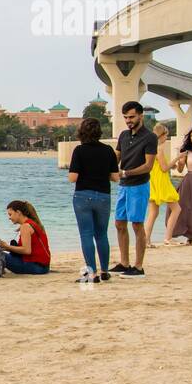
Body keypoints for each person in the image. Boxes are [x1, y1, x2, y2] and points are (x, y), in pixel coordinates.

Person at [67, 116, 119, 283]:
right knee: (102, 234)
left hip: (83, 195)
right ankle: (104, 270)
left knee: (86, 235)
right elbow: (115, 177)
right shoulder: (108, 150)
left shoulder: (79, 151)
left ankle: (92, 273)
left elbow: (73, 178)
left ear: (82, 132)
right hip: (103, 195)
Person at [112, 101, 157, 278]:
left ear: (140, 115)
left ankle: (138, 267)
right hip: (123, 186)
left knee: (137, 224)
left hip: (139, 186)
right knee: (119, 223)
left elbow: (148, 166)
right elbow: (116, 157)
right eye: (125, 117)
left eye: (131, 117)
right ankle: (124, 263)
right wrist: (107, 170)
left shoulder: (150, 137)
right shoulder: (123, 135)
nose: (128, 120)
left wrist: (125, 172)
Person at [145, 123, 181, 247]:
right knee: (176, 209)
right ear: (162, 135)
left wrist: (172, 164)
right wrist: (178, 158)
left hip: (152, 181)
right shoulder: (159, 149)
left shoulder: (150, 147)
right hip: (161, 182)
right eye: (166, 135)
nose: (167, 138)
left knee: (153, 213)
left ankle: (146, 240)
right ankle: (168, 238)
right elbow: (165, 168)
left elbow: (161, 166)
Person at [0, 200, 51, 275]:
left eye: (10, 214)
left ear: (18, 212)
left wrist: (7, 246)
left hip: (36, 267)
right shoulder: (33, 223)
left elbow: (26, 250)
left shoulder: (25, 226)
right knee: (2, 252)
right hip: (43, 267)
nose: (9, 218)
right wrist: (6, 247)